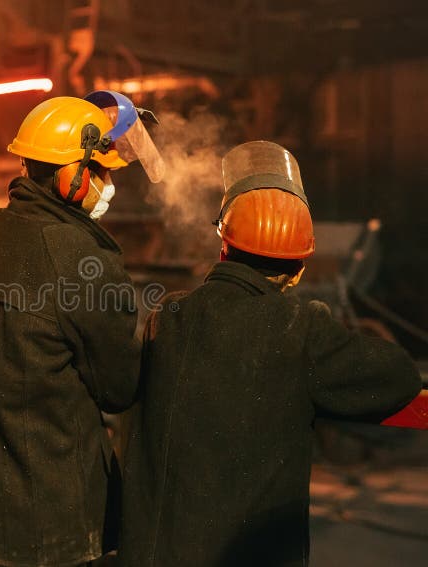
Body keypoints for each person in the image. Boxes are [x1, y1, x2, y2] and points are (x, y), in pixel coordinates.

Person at [119, 140, 423, 566]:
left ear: (223, 246)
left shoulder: (168, 315)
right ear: (298, 268)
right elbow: (400, 377)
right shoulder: (302, 329)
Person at [0, 91, 164, 566]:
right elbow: (119, 389)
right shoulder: (81, 259)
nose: (107, 184)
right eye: (100, 172)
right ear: (71, 175)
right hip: (58, 526)